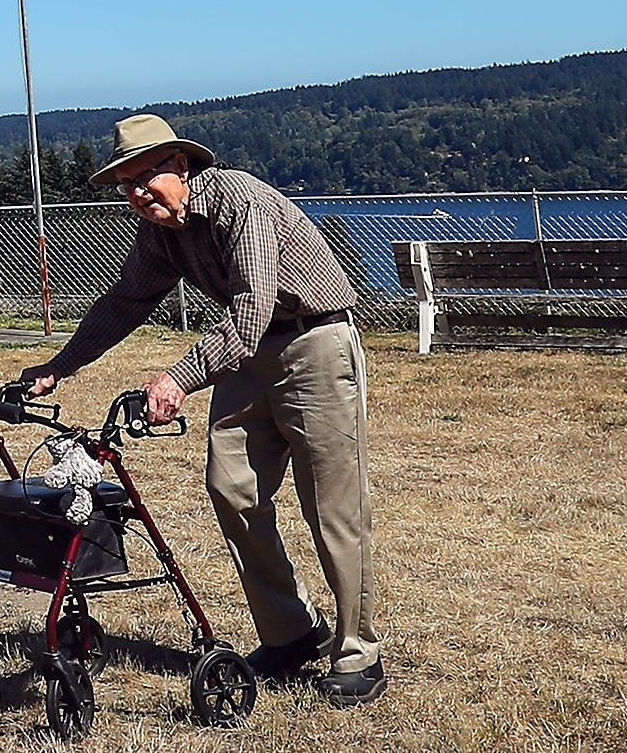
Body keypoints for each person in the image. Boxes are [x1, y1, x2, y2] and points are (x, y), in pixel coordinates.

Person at [20, 114, 385, 708]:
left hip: (313, 342)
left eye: (147, 177)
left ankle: (356, 651)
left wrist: (178, 378)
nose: (139, 193)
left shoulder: (242, 203)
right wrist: (61, 366)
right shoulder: (163, 233)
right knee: (231, 486)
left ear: (180, 166)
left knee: (333, 505)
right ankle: (292, 633)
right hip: (247, 354)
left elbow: (249, 311)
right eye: (127, 184)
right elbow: (125, 302)